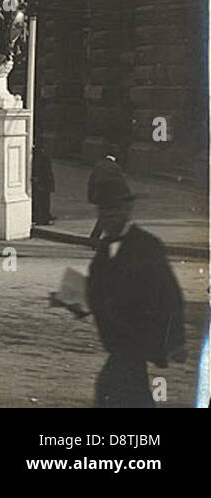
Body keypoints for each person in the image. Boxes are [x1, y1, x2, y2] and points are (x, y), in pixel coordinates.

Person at [86, 170, 186, 407]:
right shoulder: (104, 248)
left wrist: (176, 341)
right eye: (102, 211)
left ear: (126, 210)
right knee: (127, 394)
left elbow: (170, 296)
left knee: (111, 390)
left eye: (112, 210)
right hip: (118, 340)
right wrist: (72, 300)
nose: (107, 217)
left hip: (137, 338)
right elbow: (96, 289)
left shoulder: (147, 246)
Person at [87, 148, 124, 242]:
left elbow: (91, 182)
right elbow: (119, 184)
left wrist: (91, 196)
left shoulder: (98, 165)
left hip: (99, 196)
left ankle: (94, 238)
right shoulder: (115, 167)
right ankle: (98, 238)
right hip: (110, 198)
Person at [31, 144, 55, 225]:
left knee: (41, 201)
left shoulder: (38, 159)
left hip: (42, 183)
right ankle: (44, 217)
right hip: (44, 183)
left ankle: (42, 217)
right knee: (44, 201)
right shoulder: (44, 158)